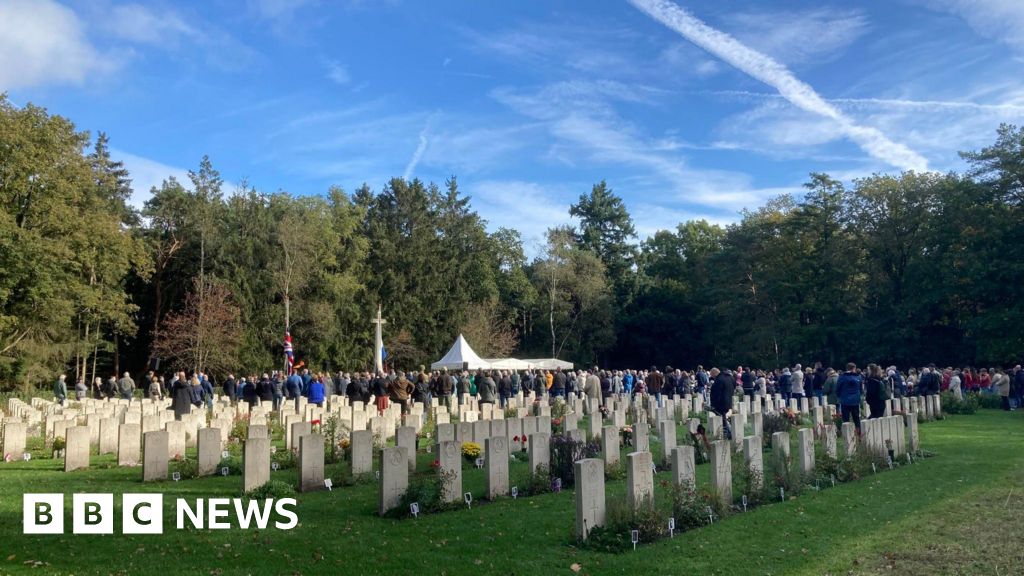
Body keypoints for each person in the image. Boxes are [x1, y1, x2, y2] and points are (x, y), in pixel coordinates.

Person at [836, 363, 863, 433]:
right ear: (854, 368)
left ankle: (847, 434)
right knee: (856, 418)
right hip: (855, 401)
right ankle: (859, 433)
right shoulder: (858, 377)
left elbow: (837, 388)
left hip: (845, 401)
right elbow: (861, 389)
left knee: (846, 419)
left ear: (847, 368)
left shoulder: (842, 377)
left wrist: (839, 396)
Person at [709, 367, 735, 439]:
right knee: (725, 417)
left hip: (721, 403)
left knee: (723, 419)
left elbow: (716, 393)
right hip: (729, 400)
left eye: (712, 376)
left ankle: (729, 433)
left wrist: (713, 405)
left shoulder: (718, 380)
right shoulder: (730, 377)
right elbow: (734, 385)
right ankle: (730, 431)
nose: (712, 377)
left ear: (714, 374)